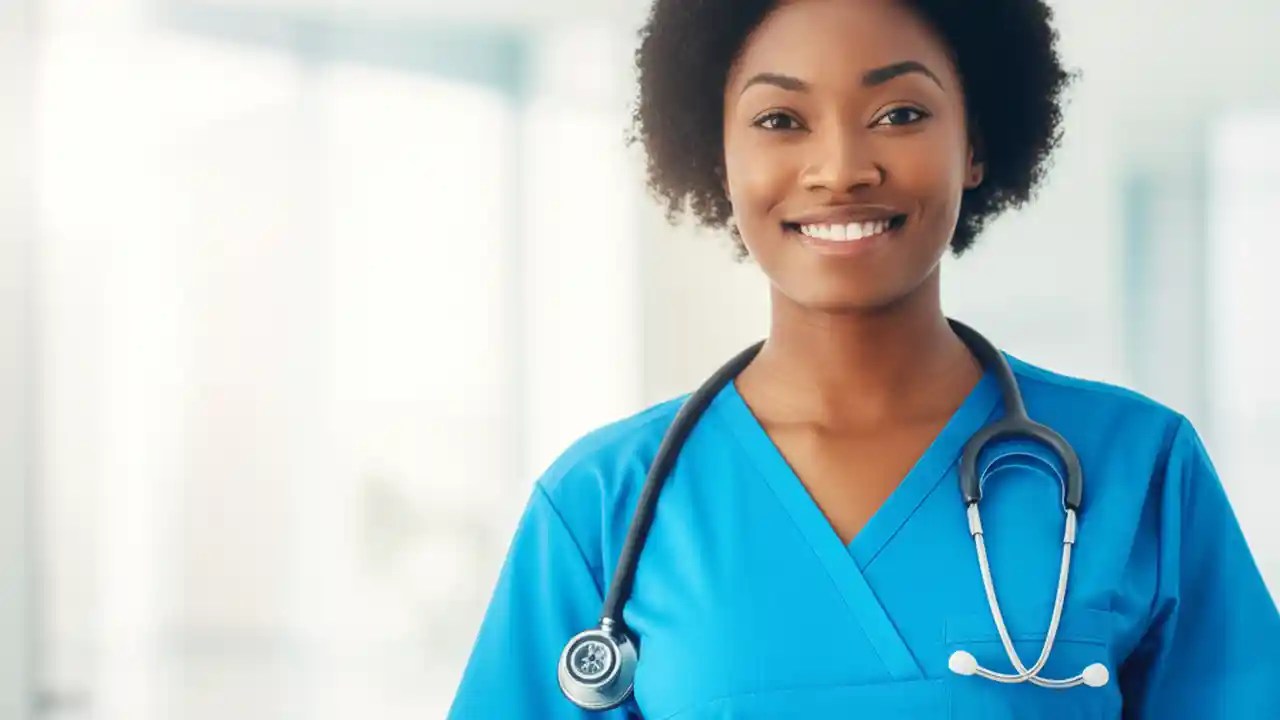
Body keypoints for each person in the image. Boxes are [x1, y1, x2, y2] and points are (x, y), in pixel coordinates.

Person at [447, 0, 1280, 716]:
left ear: (977, 143)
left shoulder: (1139, 468)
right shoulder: (601, 505)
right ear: (718, 156)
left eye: (900, 114)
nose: (842, 168)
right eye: (780, 121)